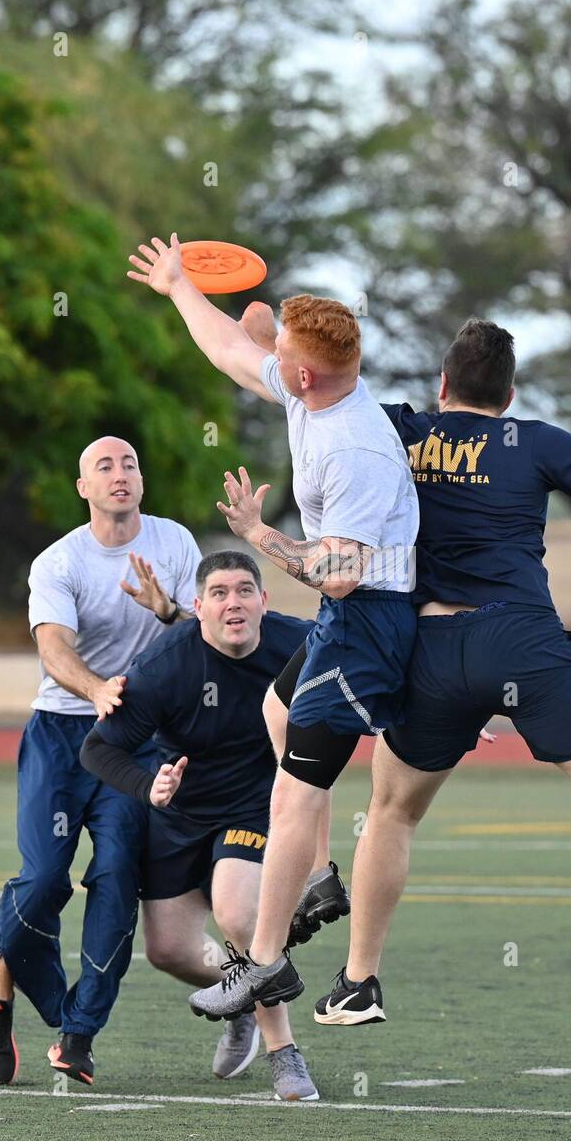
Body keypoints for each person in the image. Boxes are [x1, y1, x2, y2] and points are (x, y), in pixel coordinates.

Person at [234, 306, 571, 1022]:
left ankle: (359, 982)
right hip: (521, 642)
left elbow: (305, 380)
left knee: (391, 814)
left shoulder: (401, 427)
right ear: (509, 397)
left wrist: (259, 332)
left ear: (442, 382)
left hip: (430, 651)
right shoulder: (535, 440)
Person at [126, 235, 419, 1021]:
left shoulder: (353, 448)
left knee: (290, 794)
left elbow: (342, 573)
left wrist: (260, 537)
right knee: (276, 709)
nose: (271, 360)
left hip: (366, 620)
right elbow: (231, 348)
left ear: (301, 373)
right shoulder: (312, 390)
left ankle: (263, 964)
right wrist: (179, 284)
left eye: (281, 352)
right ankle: (321, 879)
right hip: (350, 621)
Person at [0, 436, 201, 1085]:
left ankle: (78, 1035)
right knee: (45, 880)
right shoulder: (58, 562)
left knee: (118, 876)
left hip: (135, 739)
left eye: (129, 463)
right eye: (104, 466)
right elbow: (54, 650)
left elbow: (204, 637)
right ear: (84, 488)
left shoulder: (176, 545)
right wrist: (97, 687)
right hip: (62, 734)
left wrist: (167, 610)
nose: (120, 473)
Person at [79, 551, 324, 1100]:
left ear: (265, 600)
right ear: (198, 606)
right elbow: (97, 749)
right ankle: (236, 997)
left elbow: (374, 664)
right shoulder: (166, 665)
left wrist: (432, 722)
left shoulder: (303, 644)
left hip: (254, 804)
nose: (232, 602)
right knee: (169, 950)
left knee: (239, 913)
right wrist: (149, 787)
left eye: (243, 591)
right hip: (179, 813)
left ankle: (284, 1053)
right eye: (218, 593)